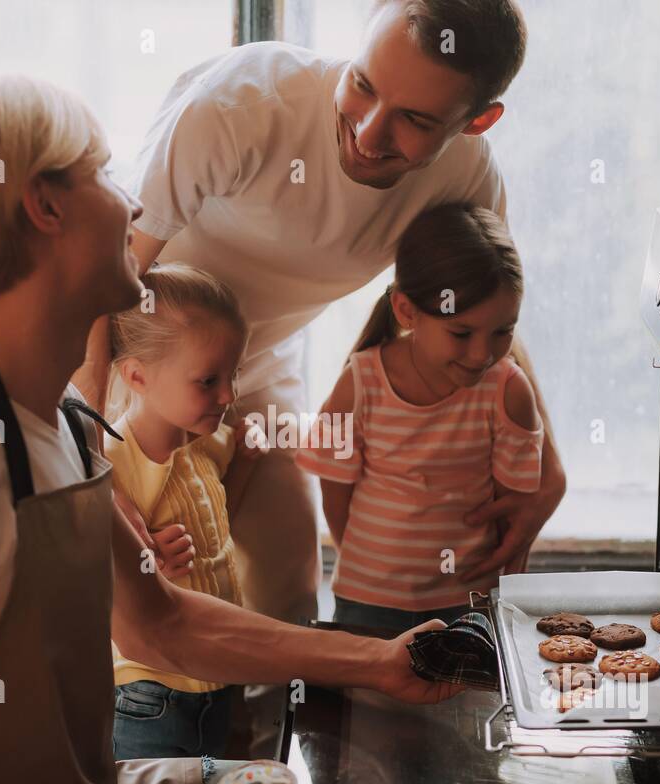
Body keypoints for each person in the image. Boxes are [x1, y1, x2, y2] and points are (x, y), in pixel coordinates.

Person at [0, 76, 460, 784]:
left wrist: (379, 661)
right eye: (105, 174)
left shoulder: (61, 422)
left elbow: (162, 621)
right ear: (44, 206)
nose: (135, 205)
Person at [77, 0, 565, 630]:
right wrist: (91, 456)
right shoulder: (241, 107)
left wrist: (545, 463)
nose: (367, 135)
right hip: (130, 361)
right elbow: (101, 279)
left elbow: (486, 320)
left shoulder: (467, 180)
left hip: (252, 364)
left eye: (414, 119)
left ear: (477, 122)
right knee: (139, 595)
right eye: (362, 84)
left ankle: (258, 729)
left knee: (287, 593)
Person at [297, 203, 542, 633]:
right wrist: (375, 569)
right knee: (369, 702)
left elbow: (511, 512)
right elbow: (336, 501)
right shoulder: (359, 385)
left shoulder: (508, 392)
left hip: (467, 603)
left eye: (502, 331)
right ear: (406, 311)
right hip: (366, 602)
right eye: (461, 333)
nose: (482, 354)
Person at [103, 263, 265, 759]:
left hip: (217, 675)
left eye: (233, 374)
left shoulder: (208, 443)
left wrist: (246, 462)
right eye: (208, 380)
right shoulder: (115, 463)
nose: (229, 395)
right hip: (152, 692)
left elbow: (218, 530)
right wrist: (152, 569)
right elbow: (90, 587)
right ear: (137, 376)